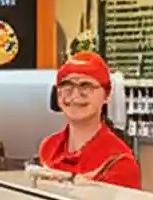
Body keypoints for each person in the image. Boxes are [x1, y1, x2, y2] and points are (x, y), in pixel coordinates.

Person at [38, 51, 141, 189]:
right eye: (67, 86)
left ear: (107, 95)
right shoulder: (48, 147)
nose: (75, 95)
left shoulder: (119, 162)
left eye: (86, 86)